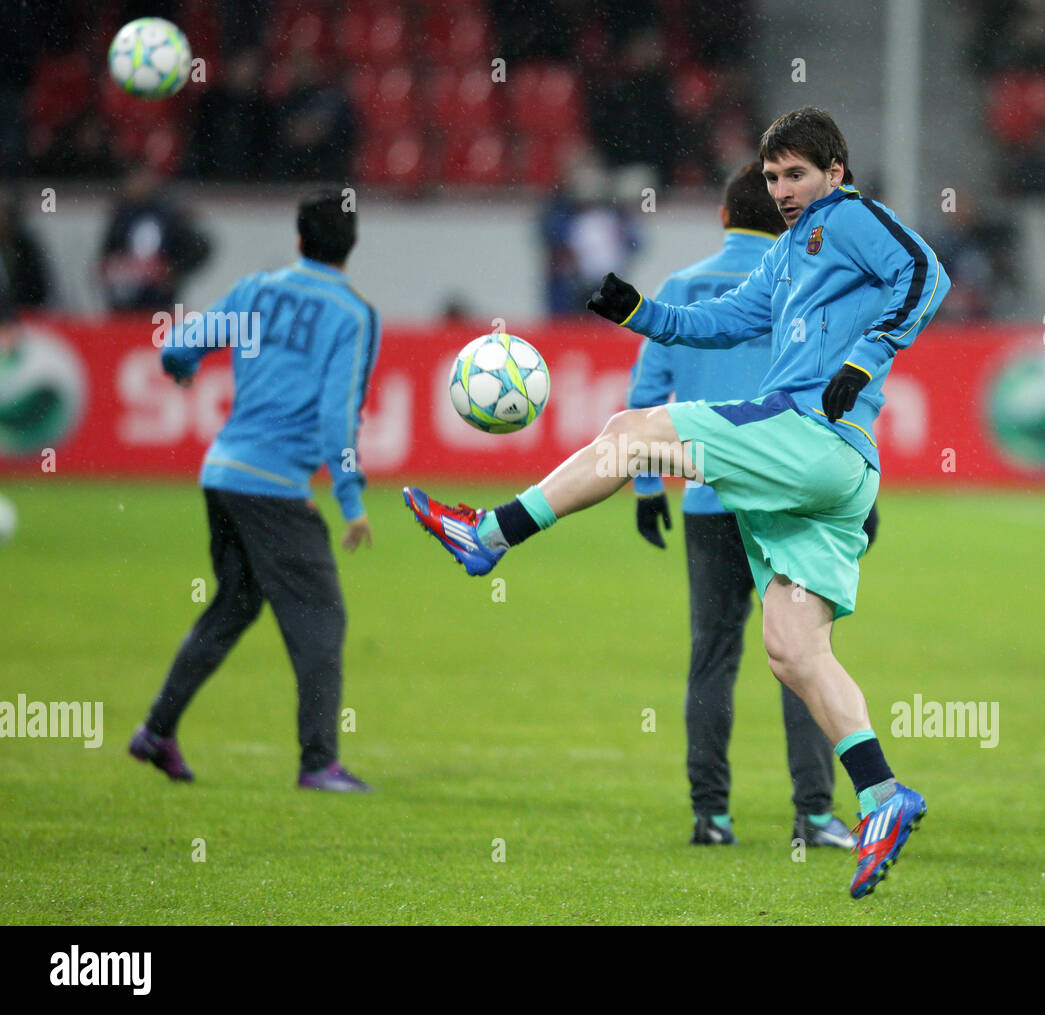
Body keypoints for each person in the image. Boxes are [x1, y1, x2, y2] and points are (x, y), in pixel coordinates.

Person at [403, 107, 949, 898]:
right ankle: (882, 794)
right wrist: (639, 315)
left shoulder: (853, 217)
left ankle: (488, 532)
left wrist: (866, 359)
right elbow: (723, 322)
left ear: (835, 170)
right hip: (831, 473)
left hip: (809, 434)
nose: (785, 189)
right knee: (794, 649)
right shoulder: (791, 253)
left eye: (797, 173)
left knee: (629, 431)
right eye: (772, 177)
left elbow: (926, 275)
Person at [627, 161, 871, 850]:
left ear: (724, 218)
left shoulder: (679, 288)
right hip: (789, 500)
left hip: (708, 499)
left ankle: (711, 813)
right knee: (803, 652)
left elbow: (645, 400)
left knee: (711, 655)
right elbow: (841, 393)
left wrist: (648, 491)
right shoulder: (811, 284)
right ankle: (815, 815)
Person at [129, 190, 380, 793]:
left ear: (298, 241)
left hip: (222, 472)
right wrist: (350, 500)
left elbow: (176, 350)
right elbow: (336, 417)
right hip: (272, 485)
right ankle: (318, 763)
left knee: (236, 604)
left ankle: (157, 731)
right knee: (321, 617)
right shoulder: (351, 314)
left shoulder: (255, 292)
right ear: (351, 247)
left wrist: (185, 371)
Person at [99, 163, 211, 312]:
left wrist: (176, 270)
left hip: (159, 303)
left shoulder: (167, 215)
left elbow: (199, 247)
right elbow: (108, 256)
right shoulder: (120, 217)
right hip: (125, 303)